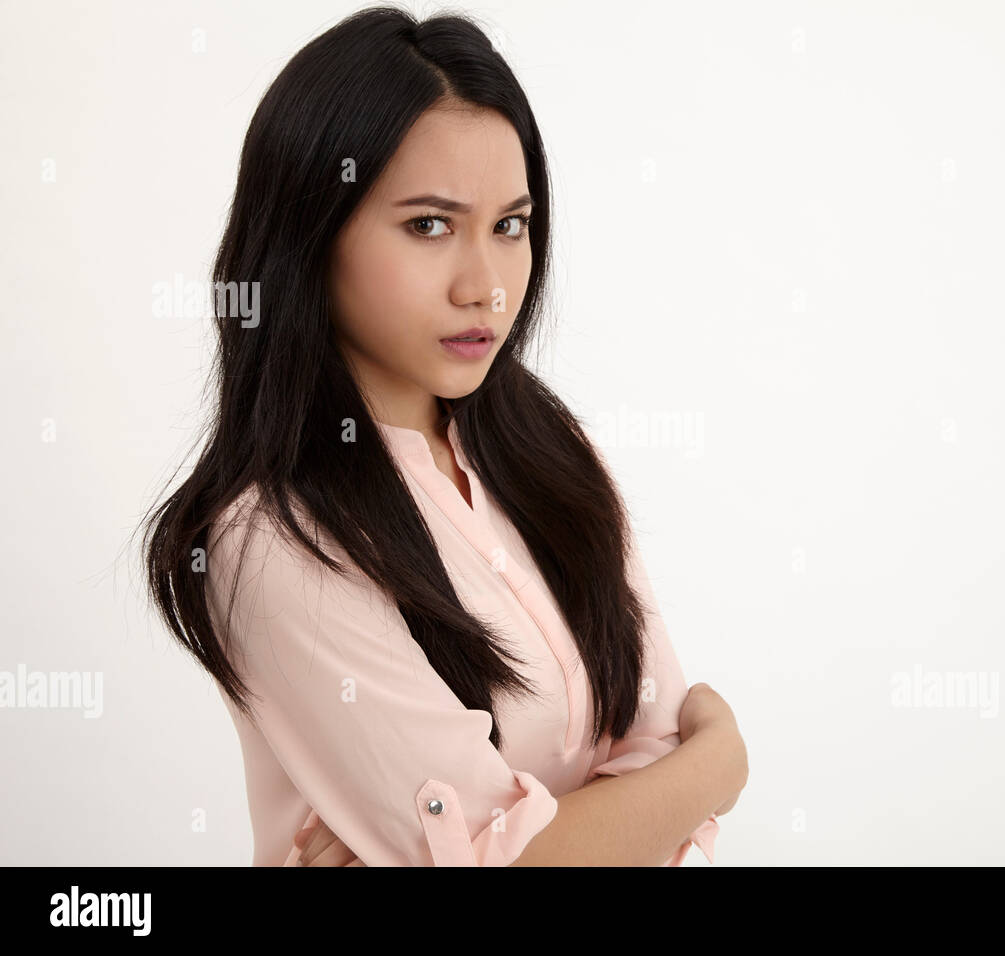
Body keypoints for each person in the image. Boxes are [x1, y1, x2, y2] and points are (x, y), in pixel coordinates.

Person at [140, 7, 747, 867]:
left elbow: (644, 764)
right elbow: (531, 855)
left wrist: (590, 822)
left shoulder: (550, 450)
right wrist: (720, 765)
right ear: (311, 236)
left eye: (510, 225)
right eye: (429, 225)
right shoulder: (274, 537)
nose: (487, 288)